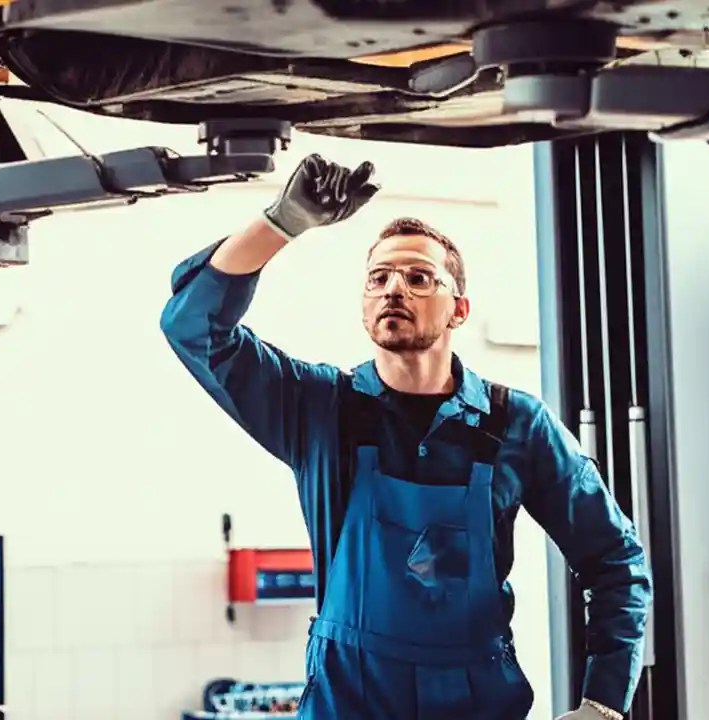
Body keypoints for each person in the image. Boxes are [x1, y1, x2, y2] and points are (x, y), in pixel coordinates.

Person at [160, 153, 652, 720]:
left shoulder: (516, 424)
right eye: (379, 278)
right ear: (364, 305)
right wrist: (283, 221)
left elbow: (616, 560)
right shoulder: (321, 410)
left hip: (477, 701)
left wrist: (604, 703)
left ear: (458, 310)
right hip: (352, 698)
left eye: (420, 277)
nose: (395, 287)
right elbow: (192, 326)